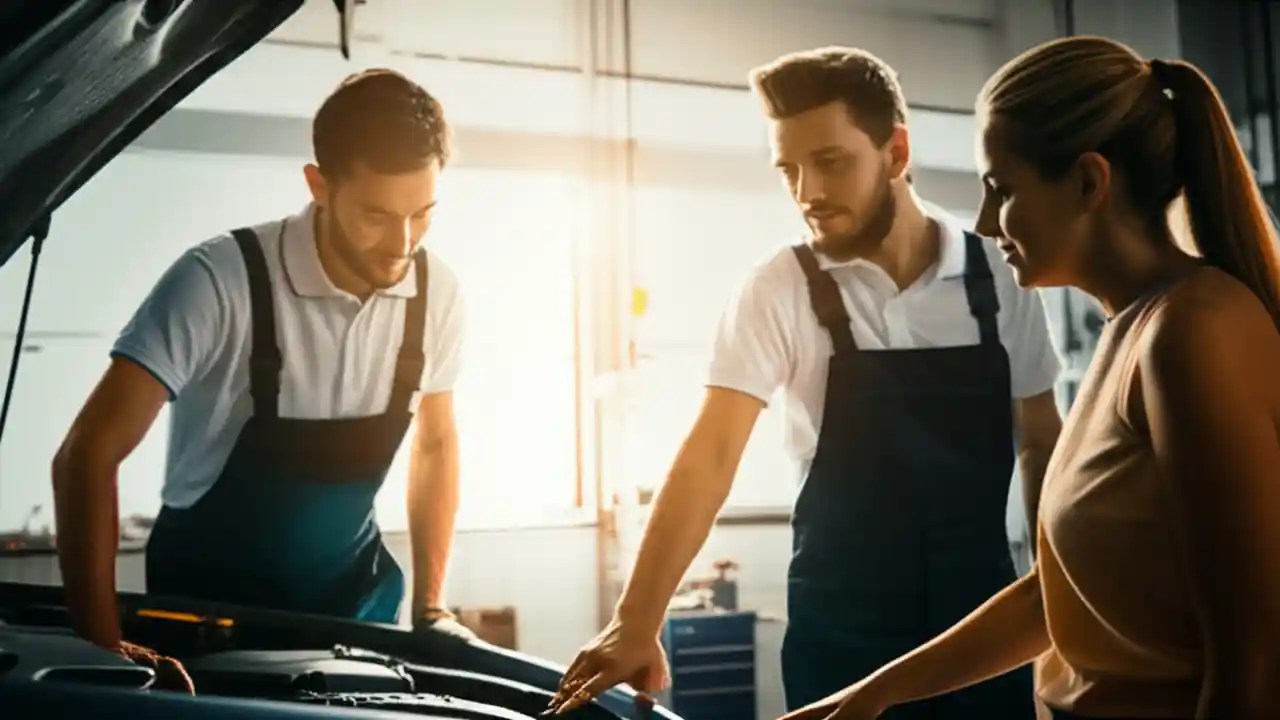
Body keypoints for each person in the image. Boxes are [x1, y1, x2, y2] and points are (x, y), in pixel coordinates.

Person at [547, 47, 1064, 718]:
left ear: (896, 152)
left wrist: (1061, 596)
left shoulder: (1000, 275)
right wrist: (636, 620)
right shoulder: (779, 289)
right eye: (788, 169)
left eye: (830, 162)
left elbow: (1043, 442)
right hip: (842, 638)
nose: (806, 193)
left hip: (981, 636)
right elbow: (710, 457)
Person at [777, 35, 1280, 720]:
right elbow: (1058, 594)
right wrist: (872, 696)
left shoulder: (1193, 330)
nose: (987, 224)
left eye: (1002, 190)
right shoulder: (1128, 331)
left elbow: (1255, 656)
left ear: (1089, 182)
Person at [51, 68, 476, 689]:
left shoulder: (437, 292)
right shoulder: (219, 282)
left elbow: (436, 444)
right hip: (207, 632)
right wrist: (103, 646)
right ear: (319, 186)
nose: (401, 243)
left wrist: (431, 608)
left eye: (422, 214)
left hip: (354, 621)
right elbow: (87, 455)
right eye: (377, 215)